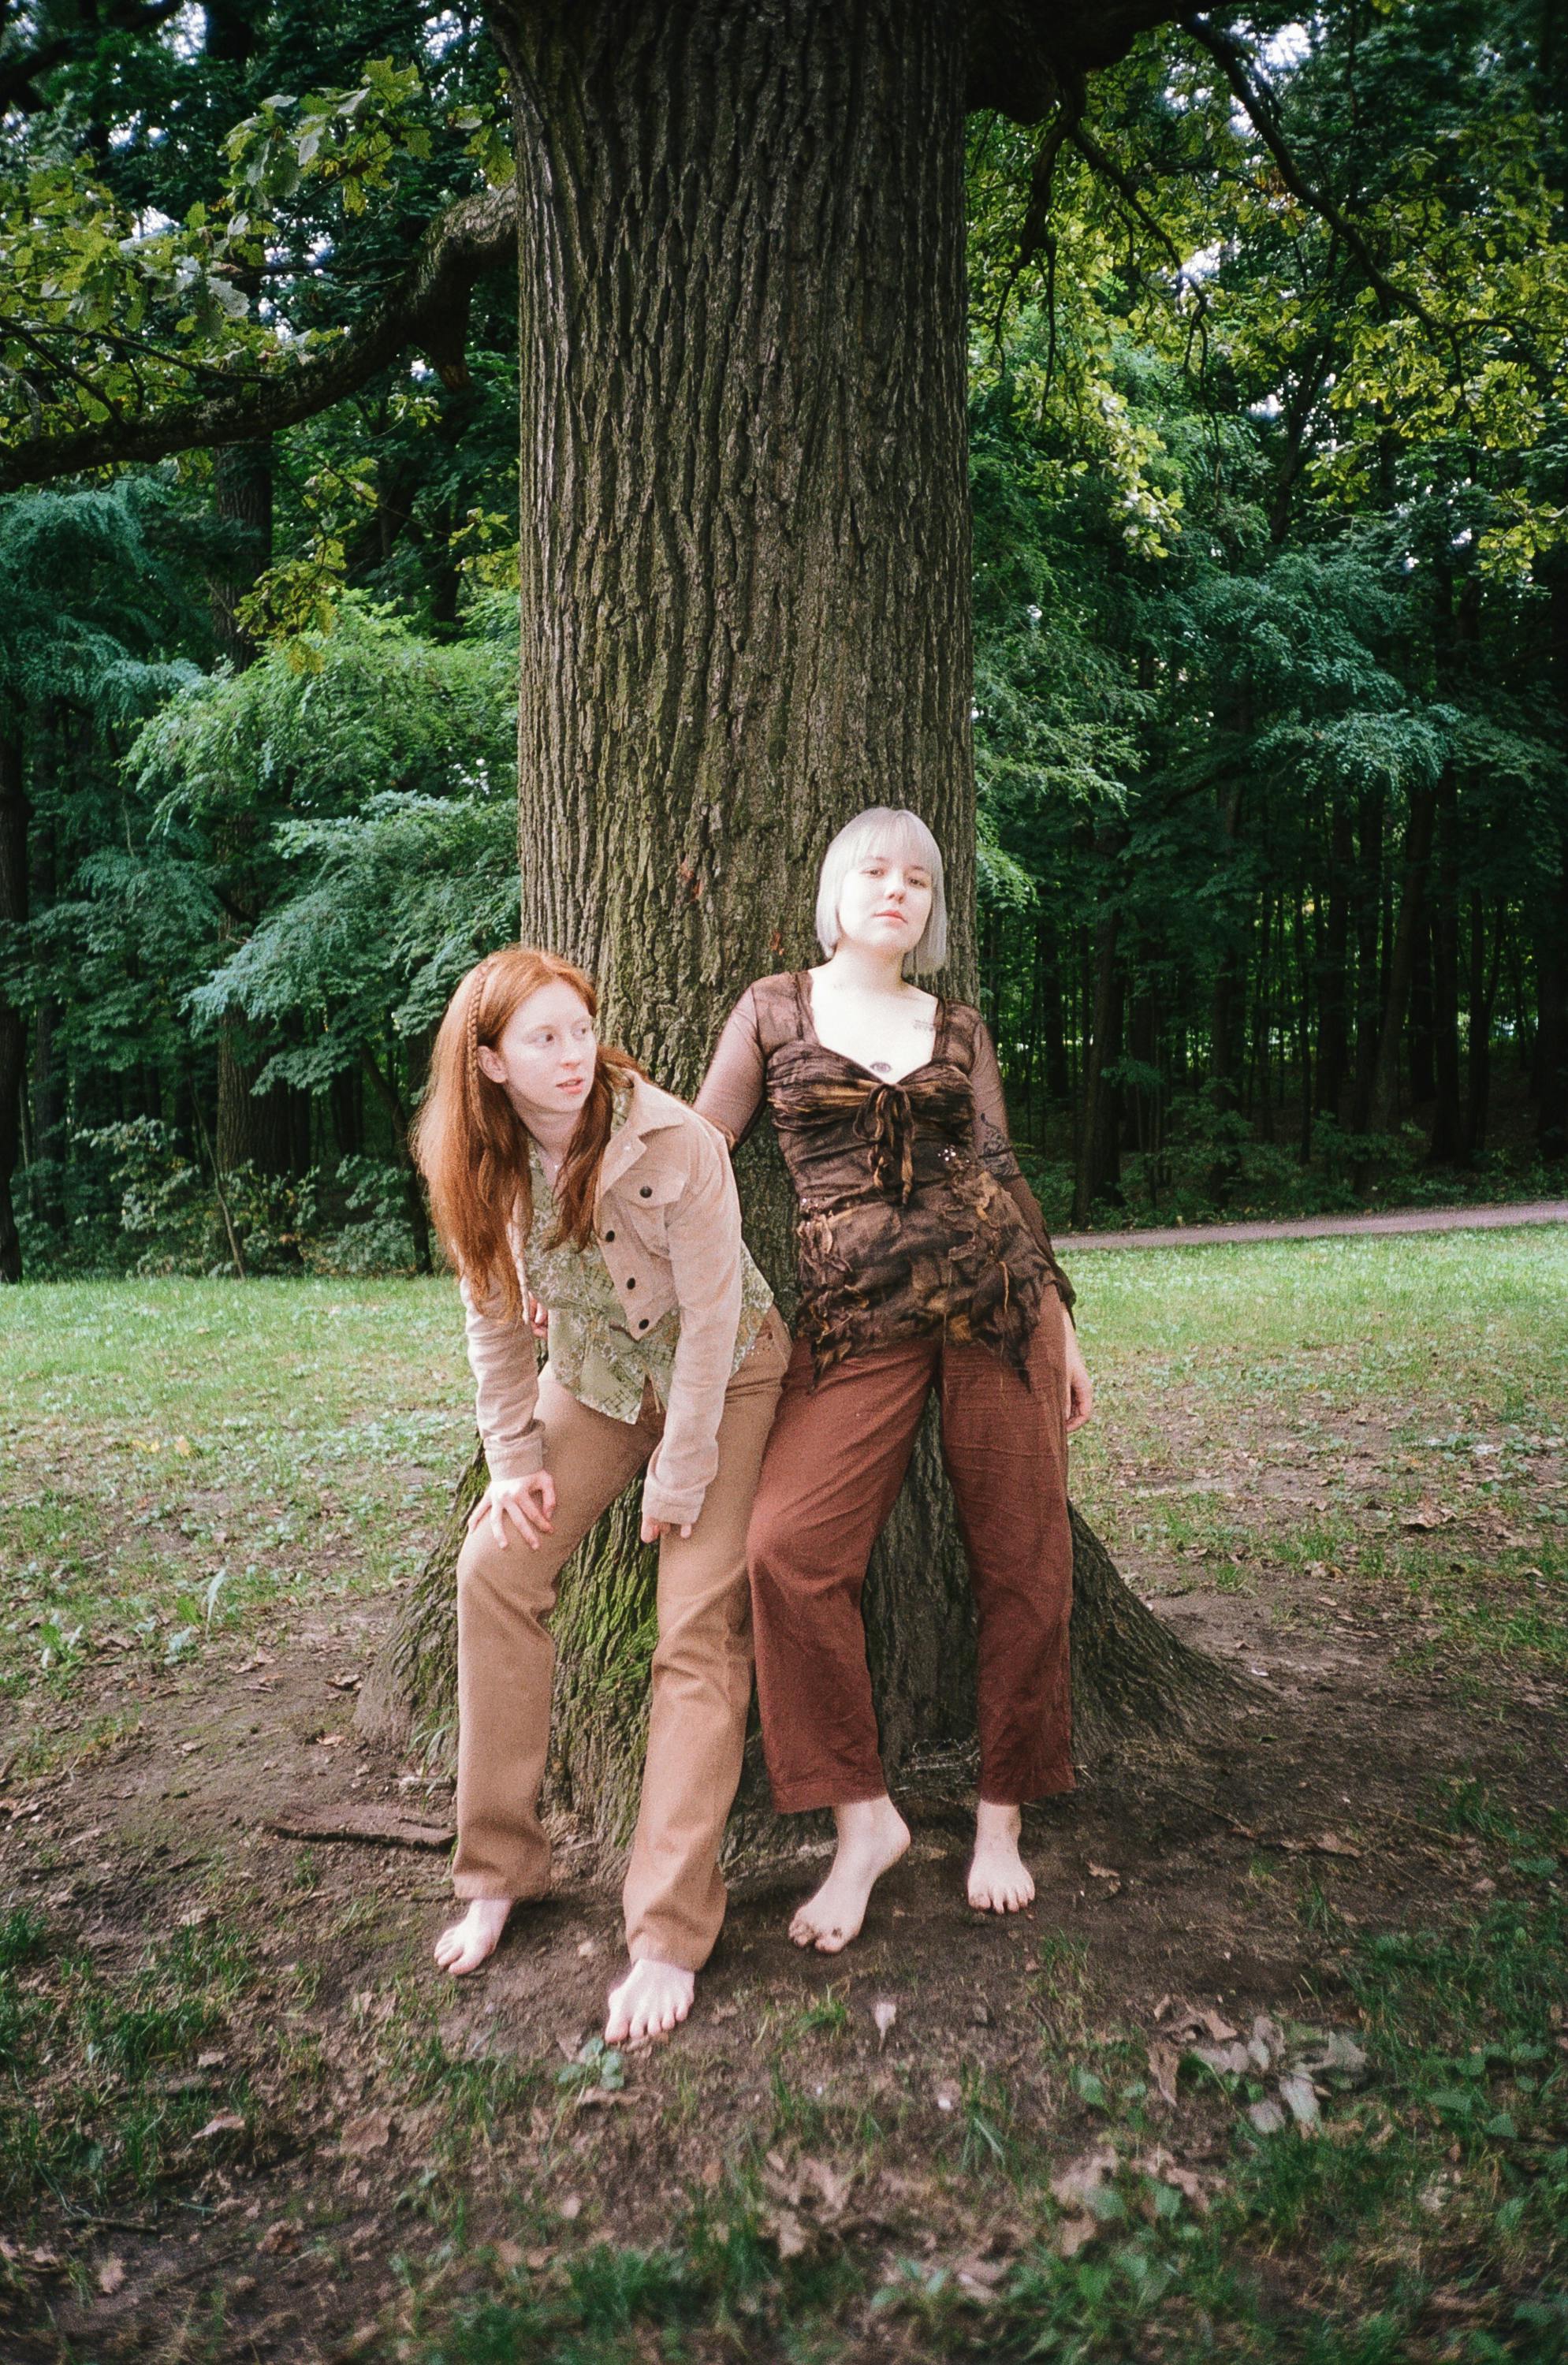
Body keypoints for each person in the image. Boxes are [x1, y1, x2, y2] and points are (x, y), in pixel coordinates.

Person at [695, 807, 1093, 1953]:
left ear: (930, 907)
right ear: (835, 889)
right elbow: (700, 1141)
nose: (896, 891)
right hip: (854, 1322)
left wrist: (1061, 1322)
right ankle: (860, 1820)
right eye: (874, 871)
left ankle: (1000, 1816)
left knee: (1025, 1560)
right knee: (785, 1547)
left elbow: (1002, 1168)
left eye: (917, 880)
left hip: (996, 1312)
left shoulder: (956, 1024)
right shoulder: (775, 1008)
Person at [413, 946, 789, 2040]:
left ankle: (666, 1934)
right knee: (493, 1565)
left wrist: (682, 1470)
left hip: (724, 1379)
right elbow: (490, 1317)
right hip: (598, 1382)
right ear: (488, 1063)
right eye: (542, 1038)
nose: (572, 1055)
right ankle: (497, 1869)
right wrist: (514, 1458)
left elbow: (716, 1323)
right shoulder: (469, 1163)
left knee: (695, 1628)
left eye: (580, 1029)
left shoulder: (675, 1139)